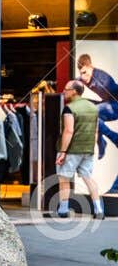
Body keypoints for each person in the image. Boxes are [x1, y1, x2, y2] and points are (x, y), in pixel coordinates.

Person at [55, 79, 104, 218]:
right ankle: (99, 210)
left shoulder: (69, 108)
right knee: (88, 178)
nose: (64, 92)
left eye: (66, 89)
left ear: (74, 91)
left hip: (71, 150)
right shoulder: (93, 108)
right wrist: (91, 147)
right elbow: (96, 131)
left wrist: (63, 151)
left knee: (64, 178)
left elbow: (68, 131)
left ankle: (63, 210)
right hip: (87, 149)